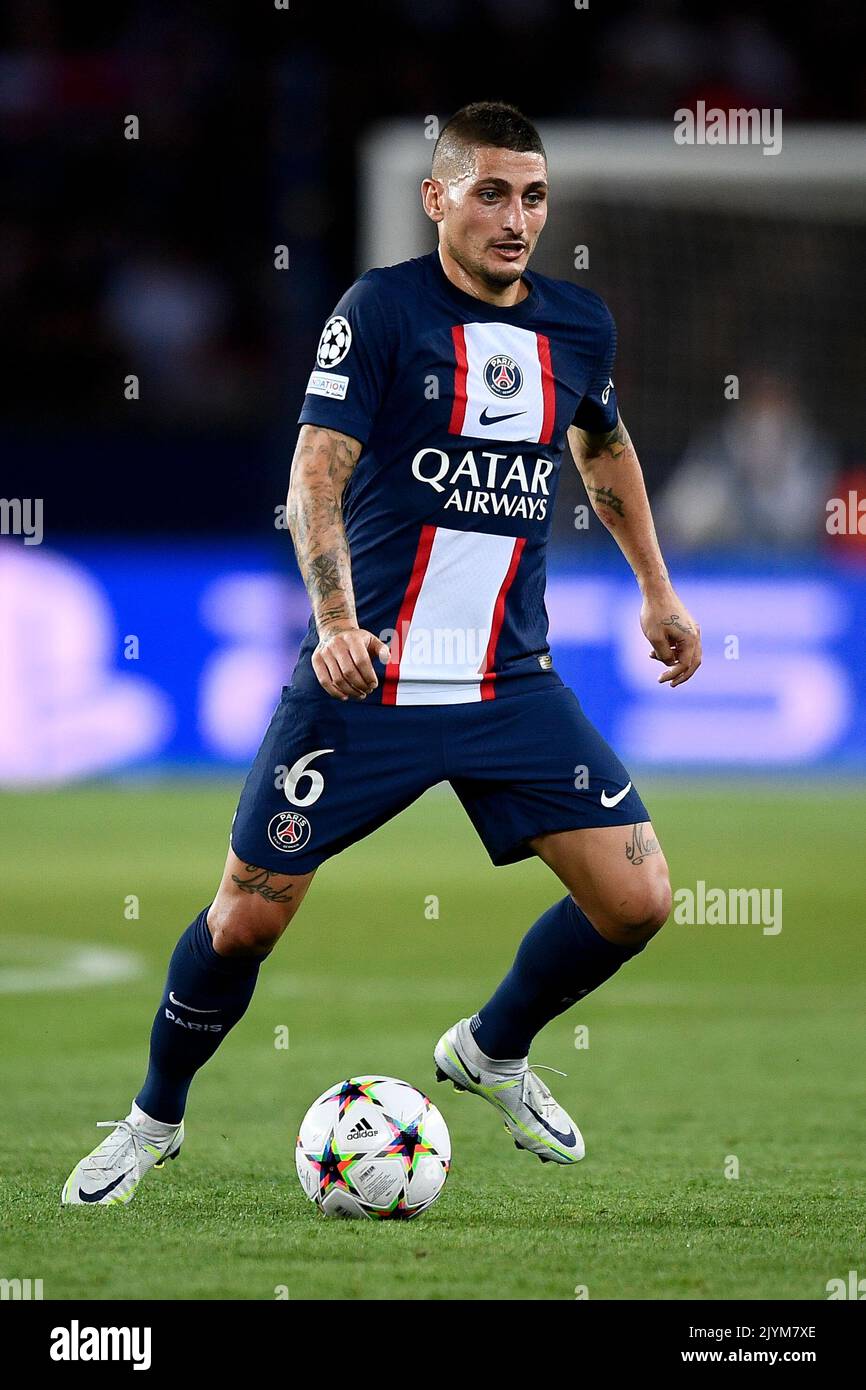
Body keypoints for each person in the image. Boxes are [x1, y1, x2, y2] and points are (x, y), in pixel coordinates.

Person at [62, 101, 701, 1205]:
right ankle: (152, 1120)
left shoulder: (577, 325)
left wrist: (655, 586)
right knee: (245, 918)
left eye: (533, 197)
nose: (516, 219)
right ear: (436, 197)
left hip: (508, 682)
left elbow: (601, 442)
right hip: (370, 679)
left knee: (638, 899)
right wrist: (336, 625)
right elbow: (316, 470)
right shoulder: (382, 310)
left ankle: (491, 1049)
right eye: (491, 193)